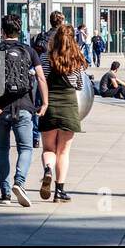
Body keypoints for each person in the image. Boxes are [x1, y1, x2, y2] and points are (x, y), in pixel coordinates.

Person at [0, 17, 49, 206]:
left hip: (0, 106)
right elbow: (41, 78)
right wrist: (44, 103)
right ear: (19, 31)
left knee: (2, 149)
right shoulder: (28, 50)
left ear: (2, 31)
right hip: (24, 105)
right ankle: (19, 182)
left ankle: (5, 194)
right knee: (25, 148)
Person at [37, 21, 87, 202]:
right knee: (64, 152)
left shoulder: (45, 57)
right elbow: (80, 85)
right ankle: (59, 191)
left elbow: (41, 80)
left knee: (48, 148)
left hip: (49, 105)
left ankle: (48, 169)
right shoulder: (77, 58)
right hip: (68, 106)